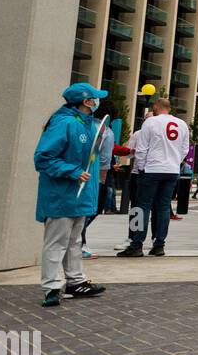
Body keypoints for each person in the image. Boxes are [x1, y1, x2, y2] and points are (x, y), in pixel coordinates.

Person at [34, 84, 109, 307]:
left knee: (74, 241)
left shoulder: (86, 125)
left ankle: (76, 281)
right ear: (86, 102)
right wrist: (73, 172)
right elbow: (43, 158)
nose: (97, 102)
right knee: (56, 242)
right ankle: (52, 286)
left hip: (79, 195)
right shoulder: (64, 123)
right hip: (62, 195)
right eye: (95, 98)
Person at [117, 97, 189, 258]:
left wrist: (142, 167)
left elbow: (141, 149)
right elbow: (184, 149)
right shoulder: (182, 124)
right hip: (171, 170)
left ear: (156, 106)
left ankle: (136, 244)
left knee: (141, 207)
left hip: (152, 168)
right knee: (163, 207)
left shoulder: (150, 122)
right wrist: (175, 162)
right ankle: (159, 244)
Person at [80, 100, 116, 259]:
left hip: (77, 172)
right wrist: (101, 180)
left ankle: (78, 241)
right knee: (93, 208)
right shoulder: (106, 131)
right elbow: (104, 160)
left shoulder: (82, 125)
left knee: (79, 210)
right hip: (94, 175)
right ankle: (79, 243)